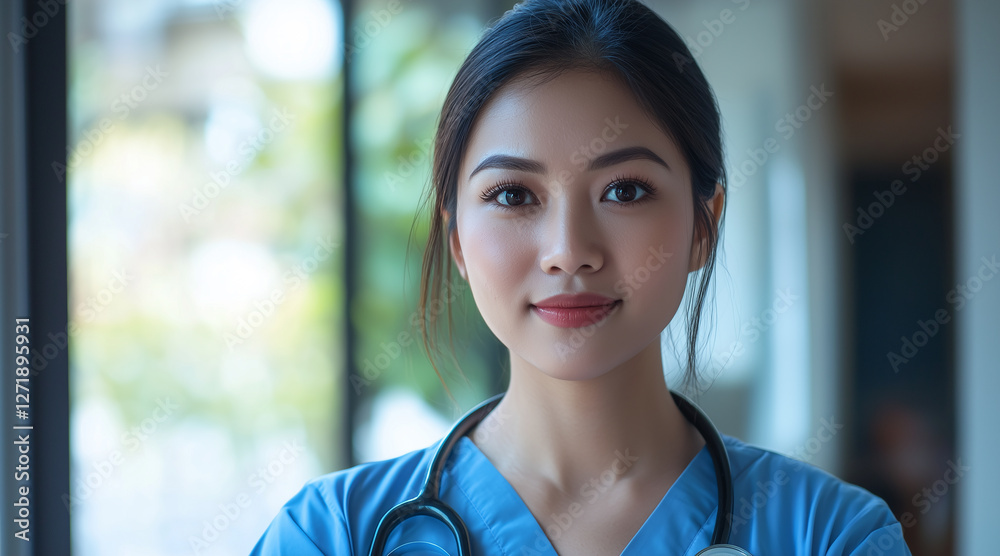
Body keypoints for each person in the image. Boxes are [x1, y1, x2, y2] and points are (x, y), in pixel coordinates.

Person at [250, 0, 912, 554]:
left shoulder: (833, 537)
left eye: (624, 190)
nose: (568, 251)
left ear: (703, 225)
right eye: (513, 195)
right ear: (456, 238)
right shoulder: (329, 535)